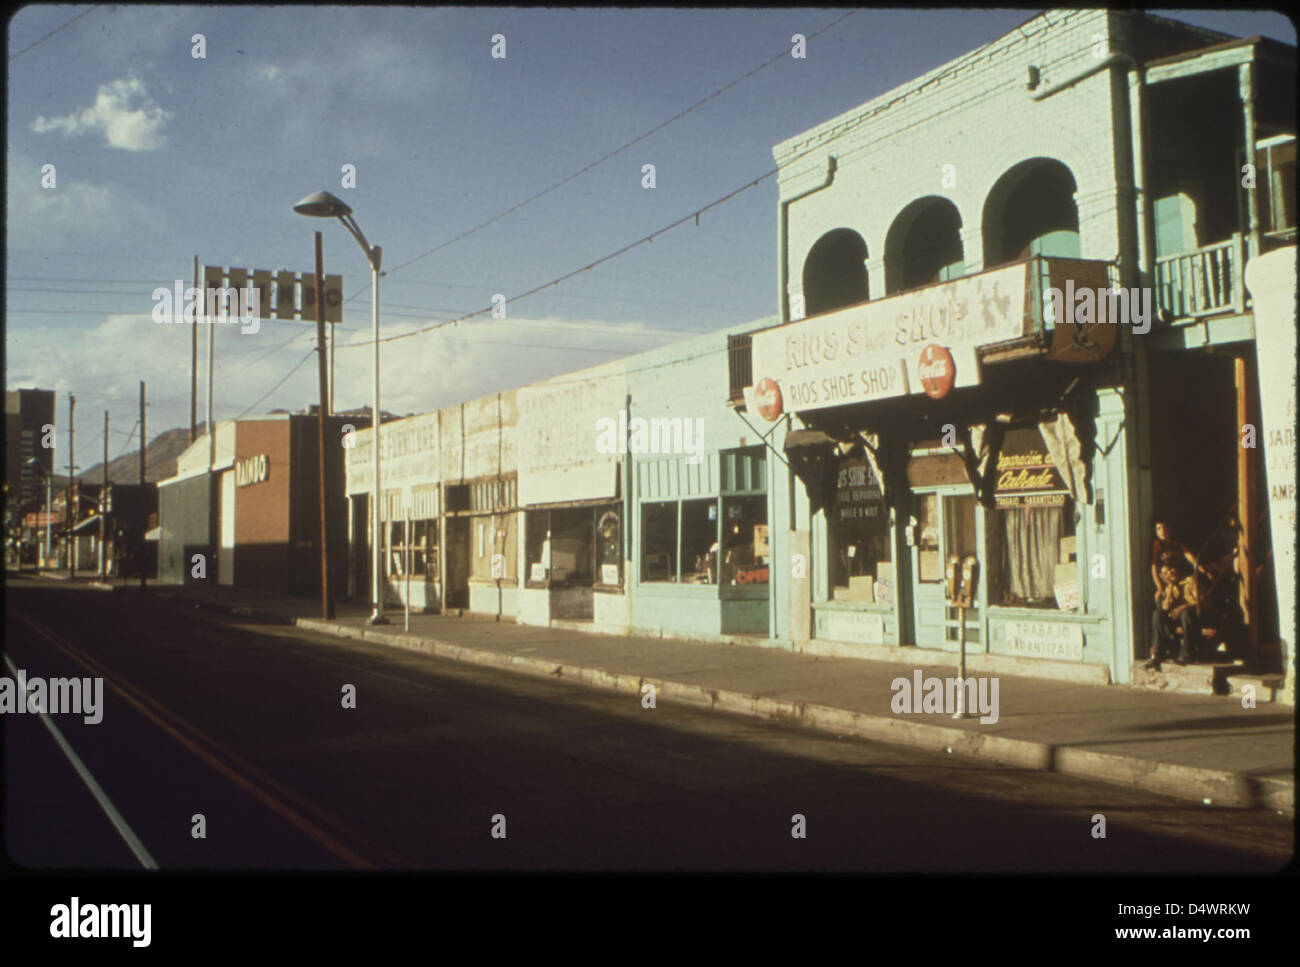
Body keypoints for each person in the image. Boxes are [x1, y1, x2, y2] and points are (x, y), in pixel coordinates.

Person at [1144, 562, 1200, 668]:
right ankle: (1157, 654)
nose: (1170, 573)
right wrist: (1170, 588)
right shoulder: (1165, 589)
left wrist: (1182, 607)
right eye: (1165, 573)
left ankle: (1186, 655)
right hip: (1175, 619)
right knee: (1157, 614)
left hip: (1190, 616)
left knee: (1184, 613)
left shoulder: (1189, 581)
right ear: (1162, 577)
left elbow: (1199, 601)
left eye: (1171, 570)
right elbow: (1165, 608)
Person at [1150, 521, 1197, 592]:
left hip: (1180, 576)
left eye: (1165, 527)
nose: (1162, 531)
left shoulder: (1177, 543)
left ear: (1170, 529)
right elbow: (1154, 567)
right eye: (1158, 529)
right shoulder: (1157, 545)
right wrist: (1159, 587)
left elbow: (1190, 557)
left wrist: (1203, 570)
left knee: (1193, 586)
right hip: (1167, 580)